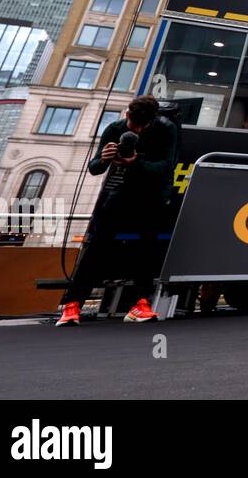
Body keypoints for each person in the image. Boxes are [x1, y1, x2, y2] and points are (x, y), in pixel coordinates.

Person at [56, 95, 180, 326]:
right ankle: (72, 305)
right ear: (127, 116)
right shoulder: (114, 129)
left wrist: (135, 162)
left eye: (141, 127)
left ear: (153, 120)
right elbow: (94, 168)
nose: (136, 131)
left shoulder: (167, 129)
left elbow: (166, 166)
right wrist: (103, 159)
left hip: (149, 197)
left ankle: (140, 304)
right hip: (116, 195)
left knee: (145, 249)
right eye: (133, 125)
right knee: (97, 247)